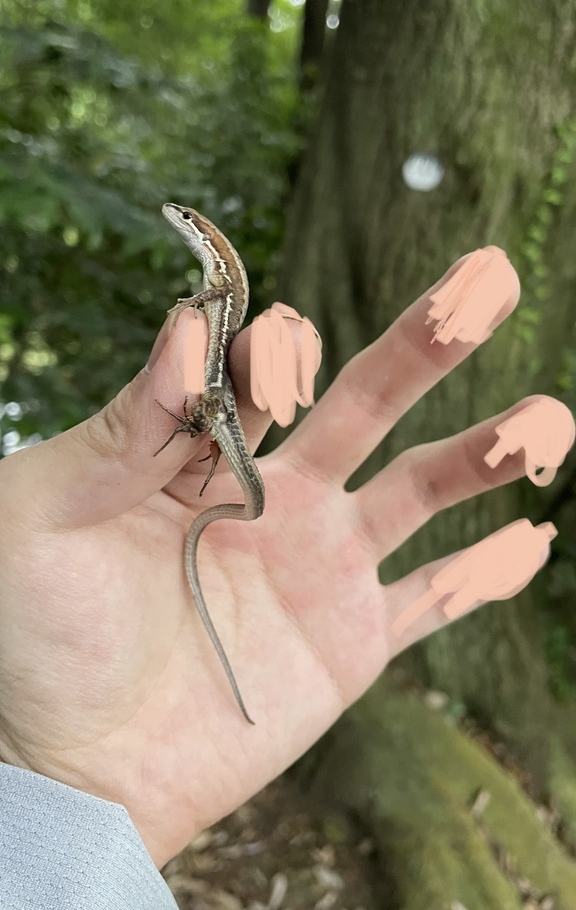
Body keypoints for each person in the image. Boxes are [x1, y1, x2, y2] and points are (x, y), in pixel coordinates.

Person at [0, 254, 542, 908]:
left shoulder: (222, 290)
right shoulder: (217, 291)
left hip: (228, 446)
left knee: (211, 413)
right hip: (58, 800)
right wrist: (41, 780)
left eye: (187, 223)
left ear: (203, 240)